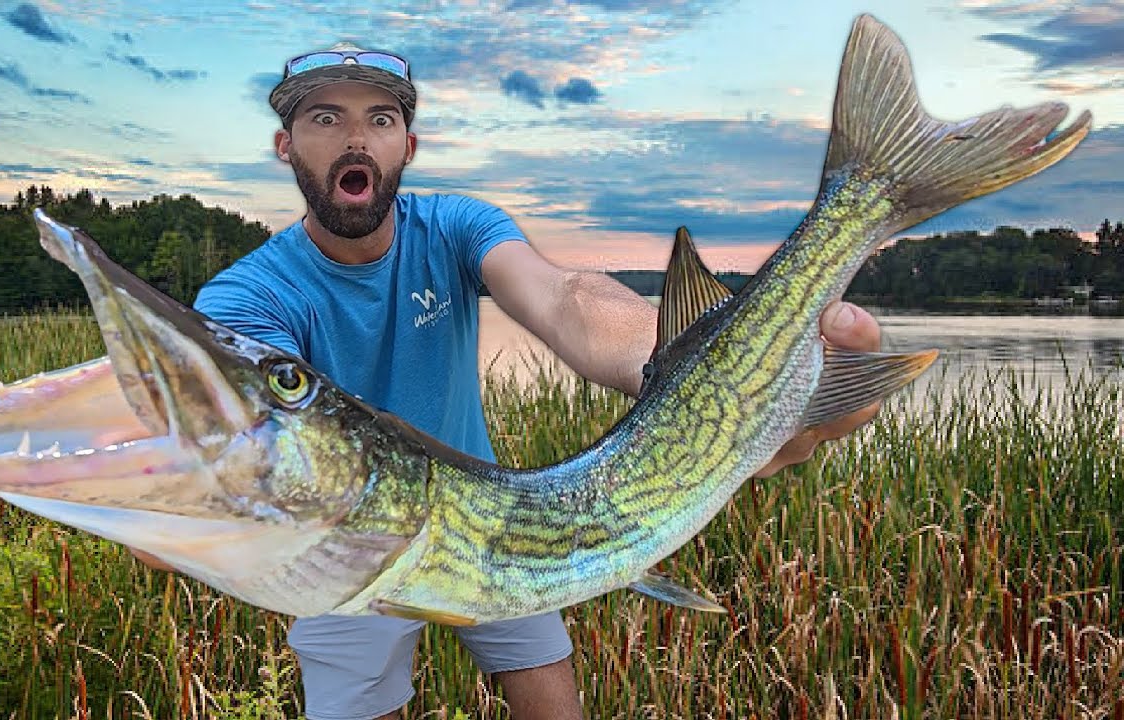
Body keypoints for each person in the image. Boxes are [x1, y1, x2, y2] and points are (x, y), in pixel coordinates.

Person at [131, 43, 883, 720]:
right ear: (286, 145)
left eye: (381, 118)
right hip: (342, 557)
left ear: (408, 145)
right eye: (326, 118)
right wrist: (180, 500)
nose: (356, 138)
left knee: (552, 699)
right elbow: (245, 420)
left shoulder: (455, 225)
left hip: (498, 528)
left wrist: (678, 378)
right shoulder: (247, 296)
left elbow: (563, 297)